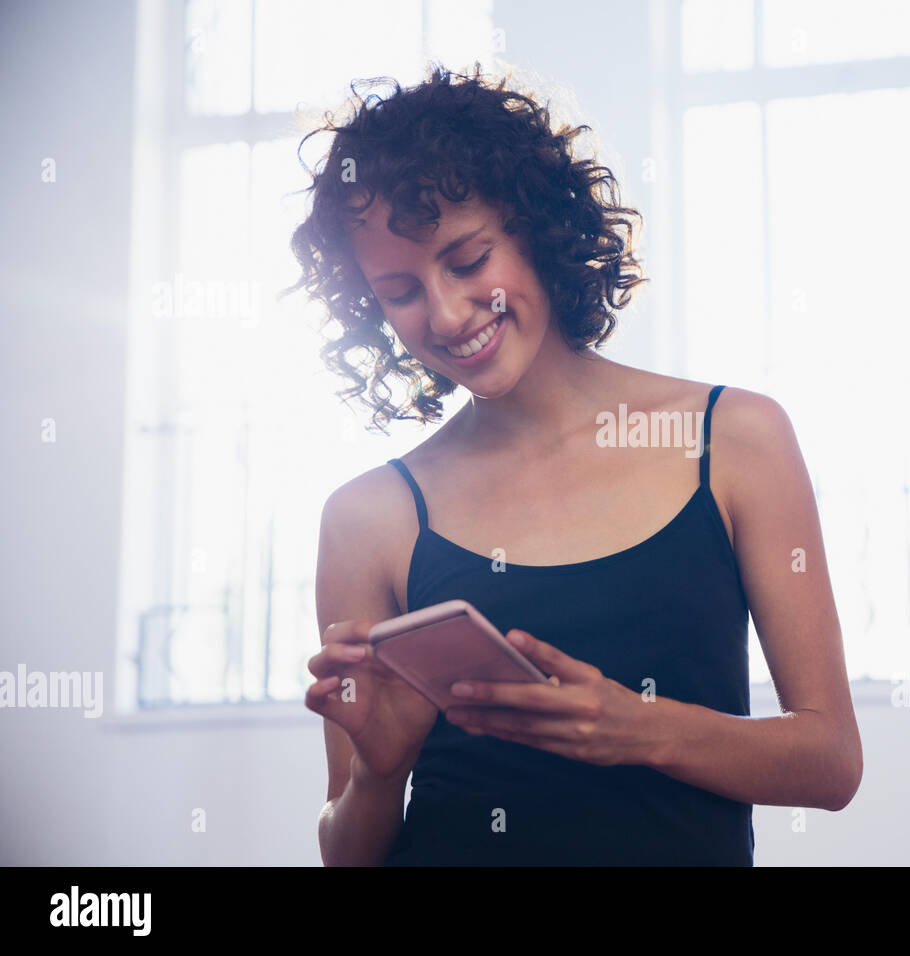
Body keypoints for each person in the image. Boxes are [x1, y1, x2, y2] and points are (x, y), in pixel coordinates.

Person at [290, 63, 861, 865]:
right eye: (400, 291)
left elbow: (831, 761)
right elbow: (347, 854)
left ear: (535, 225)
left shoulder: (734, 438)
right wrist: (380, 776)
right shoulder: (366, 518)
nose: (447, 315)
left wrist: (638, 729)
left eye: (465, 260)